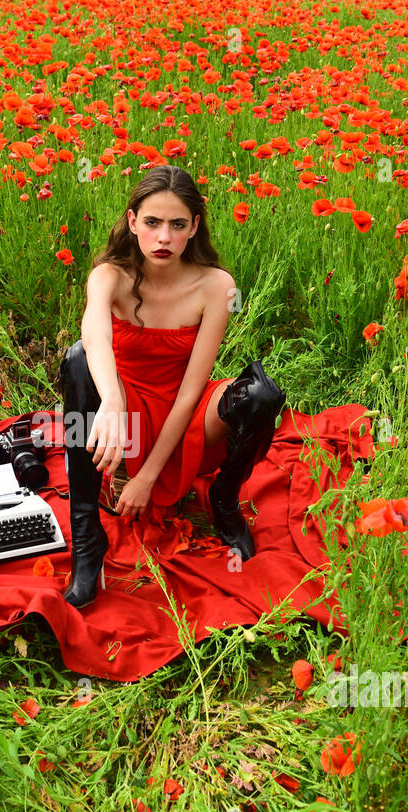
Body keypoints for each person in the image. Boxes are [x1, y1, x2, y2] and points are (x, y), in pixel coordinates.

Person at [58, 165, 287, 609]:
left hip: (185, 414)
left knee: (262, 396)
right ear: (132, 223)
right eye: (152, 223)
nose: (163, 237)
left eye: (177, 225)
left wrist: (145, 478)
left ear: (193, 227)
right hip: (125, 410)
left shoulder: (216, 286)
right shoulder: (109, 275)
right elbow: (95, 335)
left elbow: (190, 391)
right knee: (77, 361)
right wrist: (111, 402)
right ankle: (87, 540)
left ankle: (223, 499)